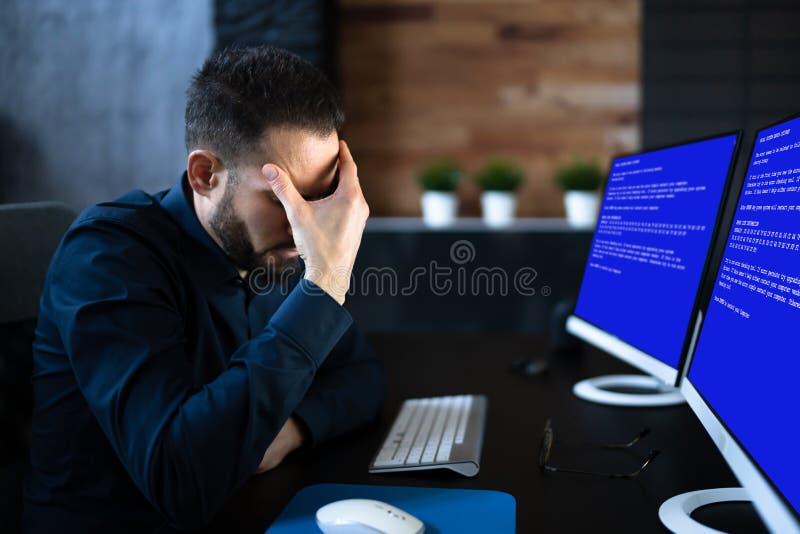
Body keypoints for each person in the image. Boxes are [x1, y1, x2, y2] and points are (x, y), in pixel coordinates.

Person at [23, 45, 383, 533]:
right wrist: (326, 282)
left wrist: (289, 430)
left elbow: (360, 376)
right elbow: (180, 479)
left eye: (319, 198)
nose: (306, 227)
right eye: (282, 197)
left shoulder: (274, 251)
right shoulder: (105, 258)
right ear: (205, 174)